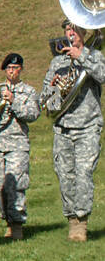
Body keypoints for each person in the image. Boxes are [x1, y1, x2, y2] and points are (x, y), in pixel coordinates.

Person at [42, 20, 105, 242]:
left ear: (83, 32)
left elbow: (103, 76)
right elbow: (46, 102)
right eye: (67, 30)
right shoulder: (57, 62)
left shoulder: (95, 54)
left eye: (74, 29)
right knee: (65, 176)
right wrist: (53, 89)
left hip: (88, 125)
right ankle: (71, 219)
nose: (70, 33)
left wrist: (82, 57)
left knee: (83, 174)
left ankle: (81, 222)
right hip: (63, 127)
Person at [0, 54, 40, 240]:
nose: (12, 71)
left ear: (21, 69)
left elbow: (32, 114)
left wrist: (14, 100)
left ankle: (16, 225)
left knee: (15, 185)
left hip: (17, 143)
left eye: (15, 68)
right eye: (9, 68)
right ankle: (7, 219)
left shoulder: (29, 92)